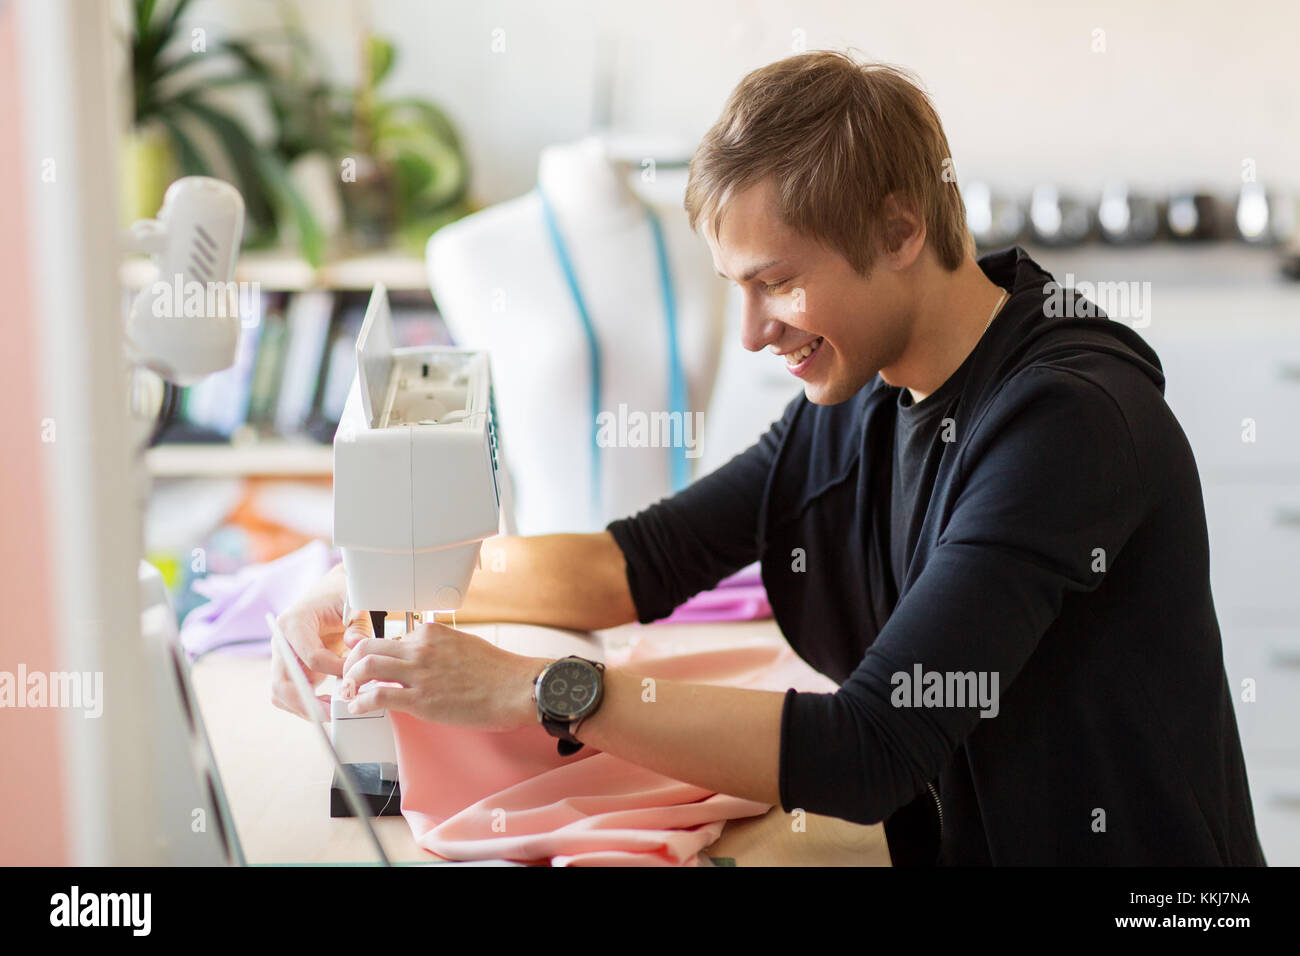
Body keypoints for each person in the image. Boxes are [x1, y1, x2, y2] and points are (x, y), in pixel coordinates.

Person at [274, 51, 1265, 865]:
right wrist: (369, 583)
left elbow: (871, 747)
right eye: (733, 287)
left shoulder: (1065, 425)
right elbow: (634, 563)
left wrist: (536, 690)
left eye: (777, 282)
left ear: (898, 230)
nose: (750, 332)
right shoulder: (864, 389)